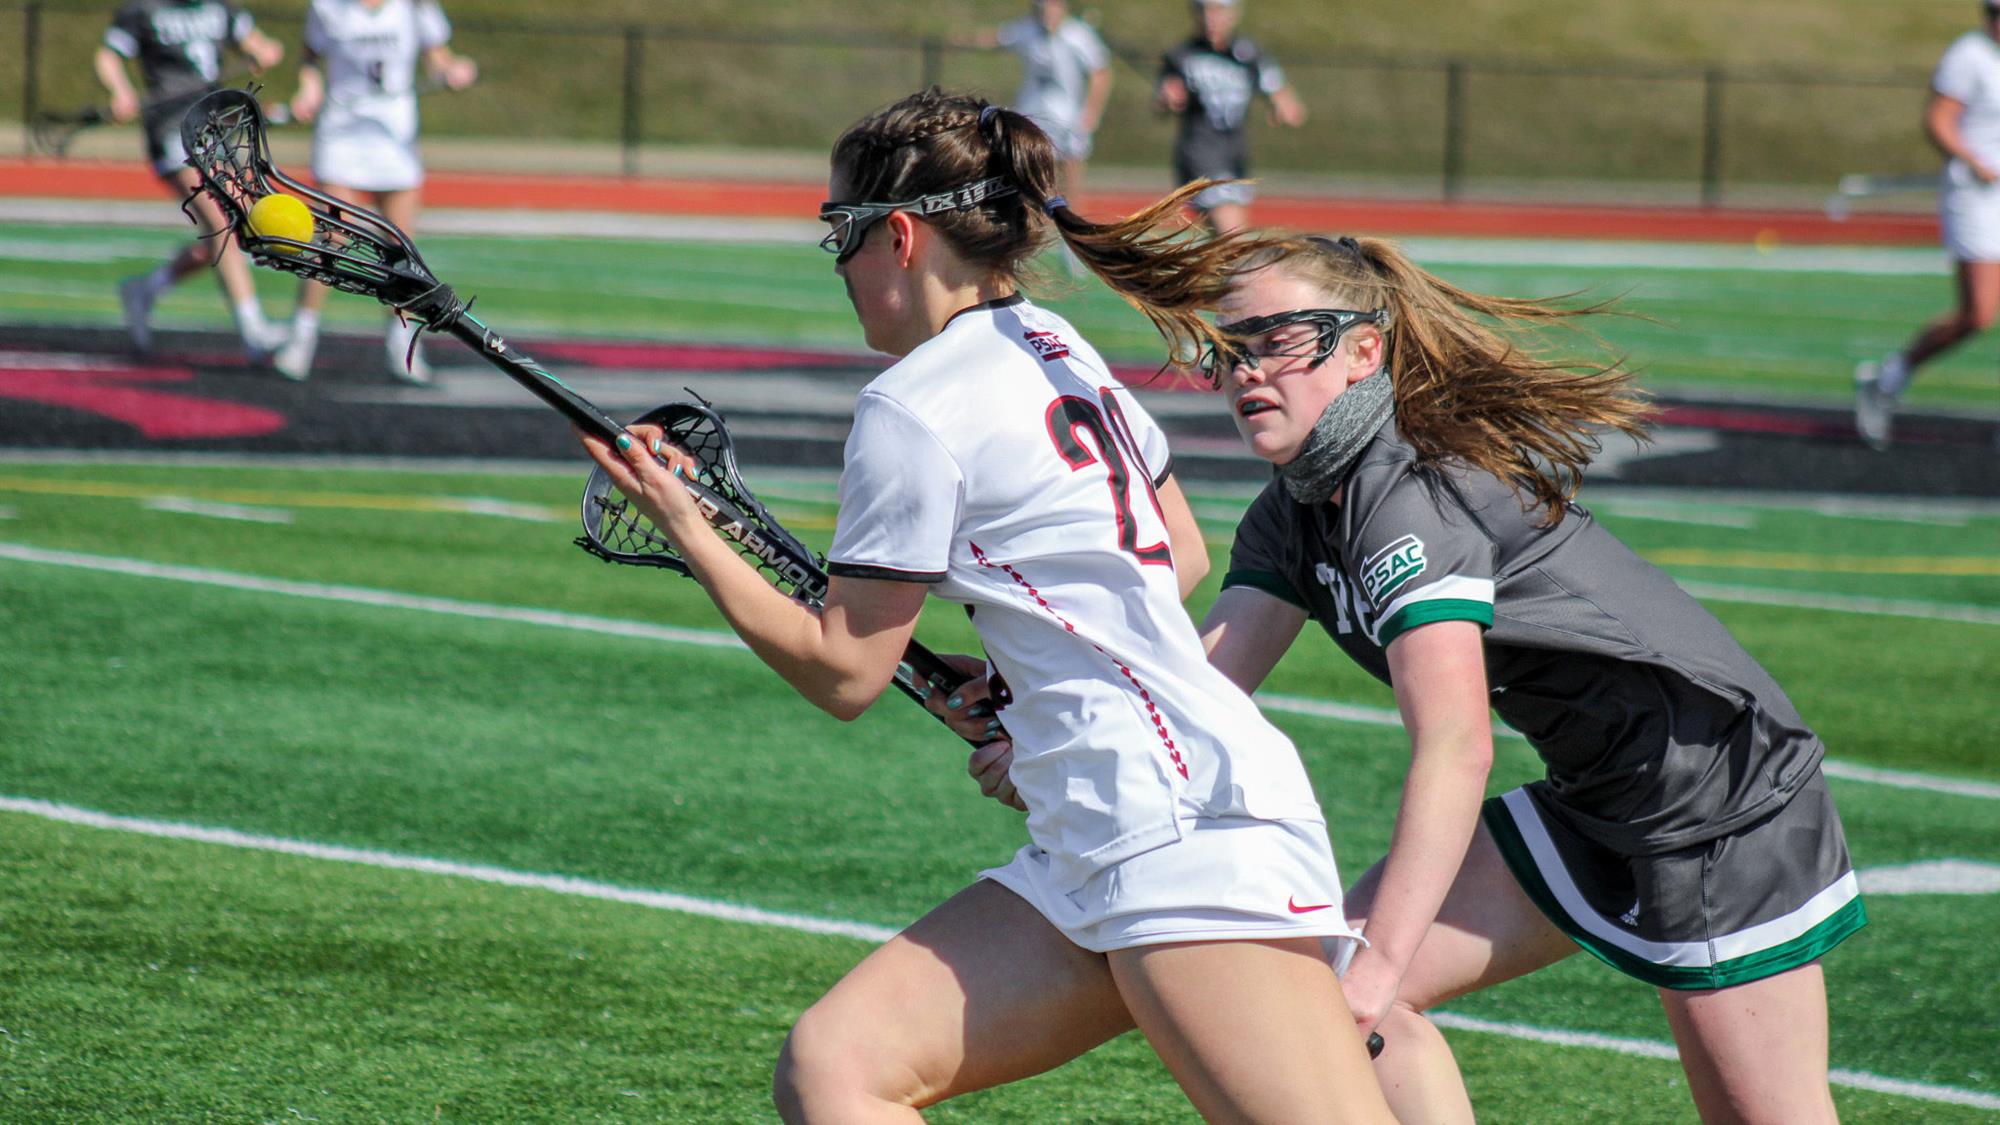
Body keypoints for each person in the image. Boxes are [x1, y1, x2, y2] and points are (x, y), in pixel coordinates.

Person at [578, 89, 1395, 1123]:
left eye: (841, 233)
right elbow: (1177, 552)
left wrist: (689, 525)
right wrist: (1023, 678)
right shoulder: (1052, 341)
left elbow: (844, 670)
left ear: (900, 236)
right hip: (1108, 819)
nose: (839, 264)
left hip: (1175, 829)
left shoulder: (913, 404)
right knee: (837, 1068)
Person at [963, 233, 1868, 1123]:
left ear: (1364, 351)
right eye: (1227, 350)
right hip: (1596, 793)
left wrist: (1384, 963)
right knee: (1334, 993)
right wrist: (1042, 731)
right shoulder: (1293, 508)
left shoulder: (1405, 498)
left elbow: (1455, 744)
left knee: (1758, 1112)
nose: (1246, 371)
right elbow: (1195, 694)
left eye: (1278, 340)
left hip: (1722, 795)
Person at [272, 0, 478, 384]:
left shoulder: (414, 7)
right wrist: (309, 87)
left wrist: (451, 71)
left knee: (402, 250)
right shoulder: (328, 7)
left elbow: (437, 56)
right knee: (332, 240)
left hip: (394, 136)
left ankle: (402, 345)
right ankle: (301, 338)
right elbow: (310, 56)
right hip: (342, 133)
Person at [96, 0, 287, 362]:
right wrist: (121, 91)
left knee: (233, 228)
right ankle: (254, 331)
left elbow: (255, 43)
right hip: (172, 129)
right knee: (222, 222)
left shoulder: (219, 8)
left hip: (212, 127)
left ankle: (146, 289)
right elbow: (108, 56)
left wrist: (263, 51)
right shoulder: (145, 9)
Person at [1856, 0, 2000, 449]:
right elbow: (1938, 120)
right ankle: (1887, 378)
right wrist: (1972, 160)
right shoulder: (1969, 55)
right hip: (1976, 198)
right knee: (1978, 314)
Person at [1156, 0, 1304, 234]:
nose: (1210, 19)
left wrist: (1282, 106)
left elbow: (1281, 94)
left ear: (1232, 14)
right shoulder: (1181, 55)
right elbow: (1163, 100)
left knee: (1223, 244)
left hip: (1235, 157)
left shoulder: (1248, 54)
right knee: (1233, 236)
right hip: (1200, 155)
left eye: (1218, 11)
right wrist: (1168, 98)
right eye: (1204, 11)